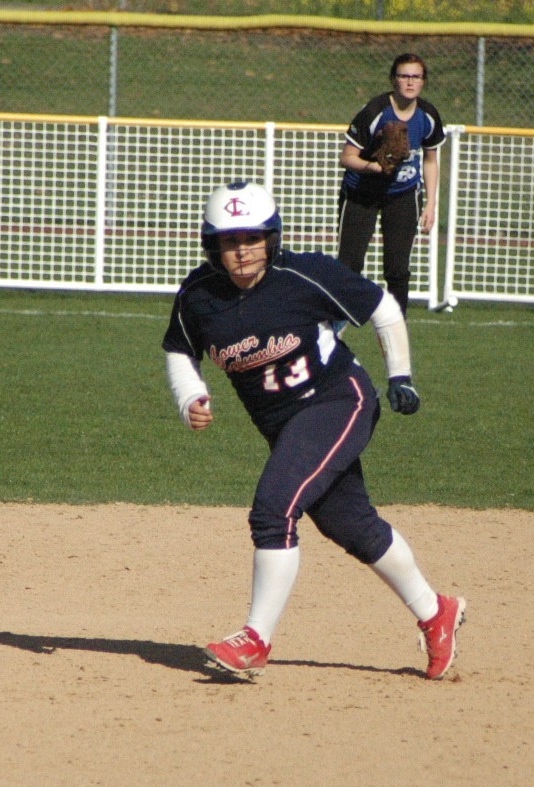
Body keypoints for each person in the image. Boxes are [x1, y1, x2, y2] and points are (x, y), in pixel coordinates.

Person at [163, 179, 466, 682]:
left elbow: (383, 309)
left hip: (338, 401)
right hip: (284, 426)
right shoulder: (200, 297)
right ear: (211, 245)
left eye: (253, 238)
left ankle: (256, 639)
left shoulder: (305, 275)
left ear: (273, 238)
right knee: (349, 523)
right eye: (230, 241)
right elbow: (179, 348)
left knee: (273, 509)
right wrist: (189, 396)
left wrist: (400, 377)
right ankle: (438, 612)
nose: (242, 251)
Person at [337, 52, 446, 317]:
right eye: (404, 76)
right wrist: (372, 167)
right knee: (349, 265)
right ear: (393, 80)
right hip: (362, 192)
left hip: (403, 194)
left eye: (416, 77)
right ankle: (337, 321)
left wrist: (431, 203)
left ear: (423, 81)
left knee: (397, 267)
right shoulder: (375, 112)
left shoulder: (428, 115)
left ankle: (398, 324)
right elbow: (347, 157)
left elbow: (430, 161)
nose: (410, 82)